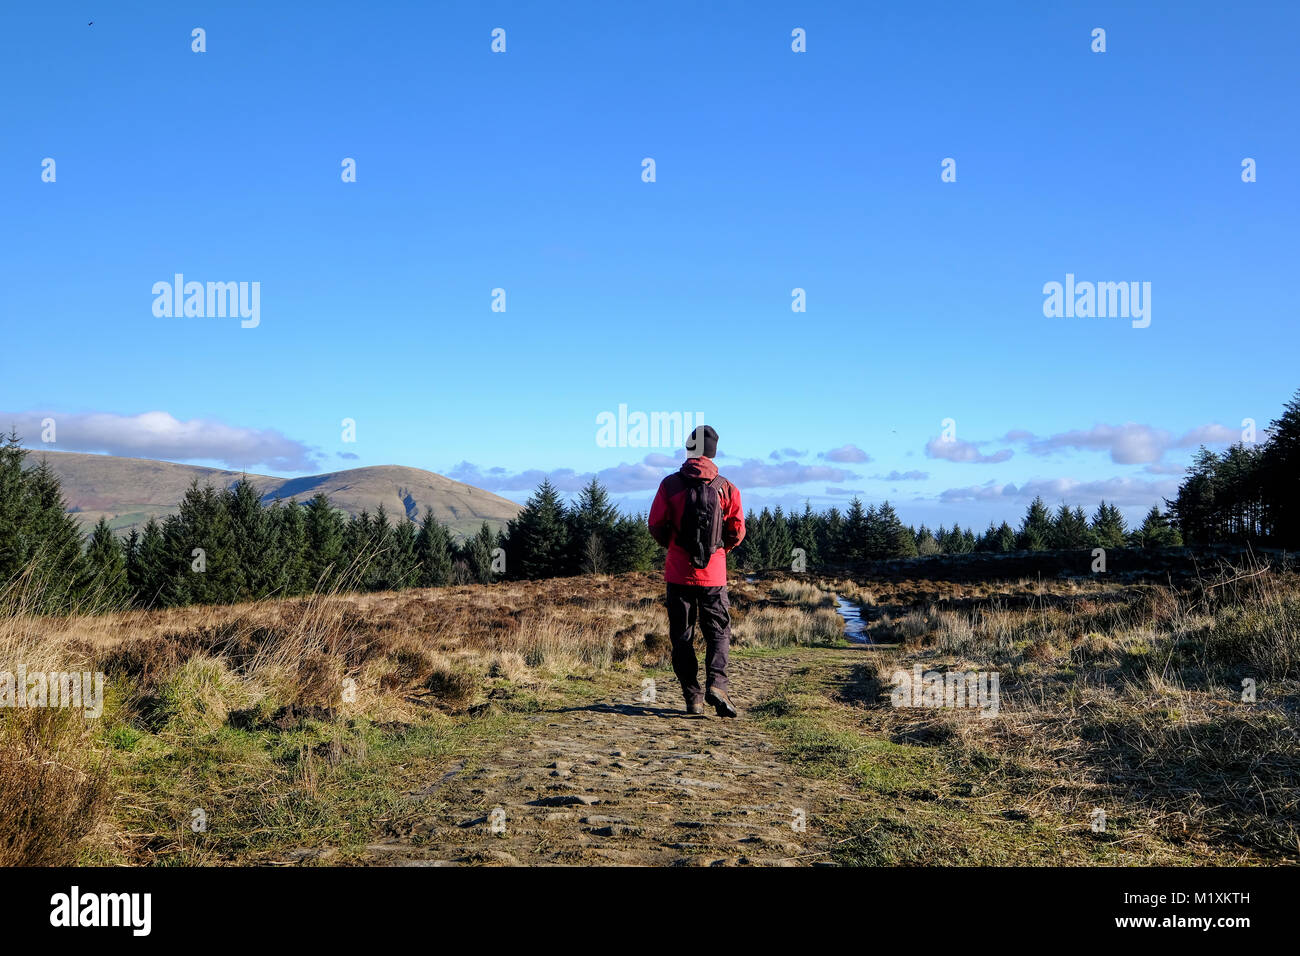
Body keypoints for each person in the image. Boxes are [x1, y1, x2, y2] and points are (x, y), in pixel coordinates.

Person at [647, 425, 745, 717]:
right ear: (713, 452)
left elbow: (654, 524)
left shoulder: (670, 485)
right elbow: (737, 531)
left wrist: (674, 547)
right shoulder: (727, 487)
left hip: (678, 574)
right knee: (718, 633)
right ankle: (717, 684)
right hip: (714, 576)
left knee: (682, 637)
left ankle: (693, 699)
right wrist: (720, 553)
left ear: (688, 449)